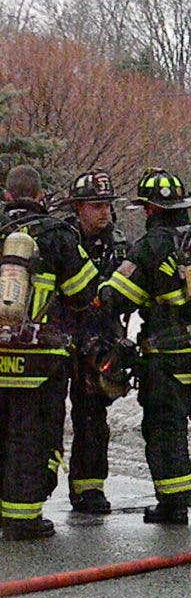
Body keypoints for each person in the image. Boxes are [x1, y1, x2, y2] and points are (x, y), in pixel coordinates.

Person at [99, 168, 191, 525]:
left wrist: (105, 287)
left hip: (167, 362)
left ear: (149, 209)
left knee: (165, 432)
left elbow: (117, 298)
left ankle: (173, 505)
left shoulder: (149, 247)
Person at [0, 165, 101, 540]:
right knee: (32, 437)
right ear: (41, 197)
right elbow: (85, 293)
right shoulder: (58, 235)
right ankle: (24, 518)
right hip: (40, 361)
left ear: (8, 196)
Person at [61, 170, 129, 514]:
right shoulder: (62, 239)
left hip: (99, 339)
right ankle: (26, 492)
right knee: (46, 416)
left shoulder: (116, 245)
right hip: (60, 340)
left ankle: (89, 489)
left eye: (108, 205)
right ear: (78, 207)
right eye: (97, 205)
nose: (105, 212)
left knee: (92, 419)